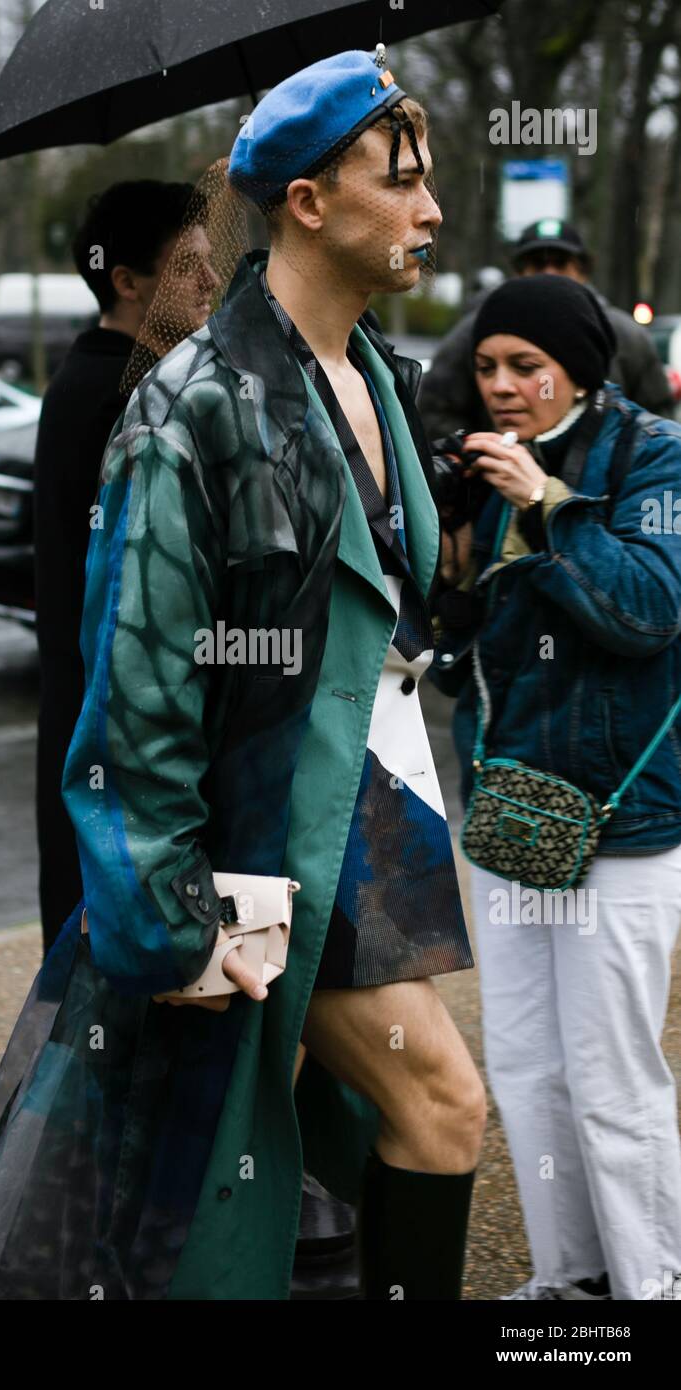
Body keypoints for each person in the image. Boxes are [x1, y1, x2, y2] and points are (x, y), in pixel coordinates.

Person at [0, 48, 484, 1303]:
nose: (431, 210)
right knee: (429, 1105)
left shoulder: (376, 375)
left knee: (271, 1158)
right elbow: (135, 690)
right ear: (308, 202)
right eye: (399, 181)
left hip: (364, 818)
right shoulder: (192, 405)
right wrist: (169, 921)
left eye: (428, 181)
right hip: (262, 845)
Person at [429, 273, 681, 1300]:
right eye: (486, 367)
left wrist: (547, 506)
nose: (499, 386)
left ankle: (650, 1284)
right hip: (511, 811)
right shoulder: (489, 469)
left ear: (576, 366)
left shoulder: (653, 456)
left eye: (523, 367)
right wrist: (450, 551)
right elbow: (465, 640)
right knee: (527, 1071)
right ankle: (569, 1282)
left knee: (611, 1080)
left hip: (622, 820)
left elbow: (647, 612)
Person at [34, 179, 219, 958]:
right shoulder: (127, 395)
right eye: (189, 267)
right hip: (112, 735)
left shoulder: (107, 376)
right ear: (127, 281)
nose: (213, 282)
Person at [418, 218, 673, 439]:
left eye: (560, 263)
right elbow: (436, 410)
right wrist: (479, 462)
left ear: (582, 271)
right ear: (518, 272)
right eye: (537, 264)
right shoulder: (480, 331)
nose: (549, 273)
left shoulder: (624, 334)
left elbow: (657, 416)